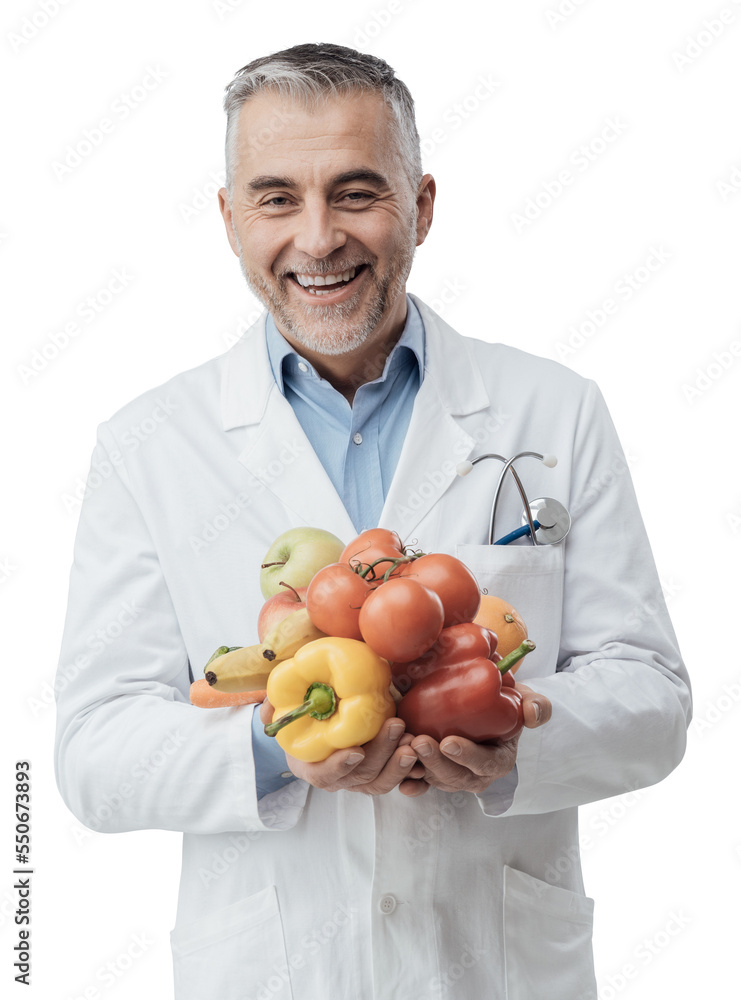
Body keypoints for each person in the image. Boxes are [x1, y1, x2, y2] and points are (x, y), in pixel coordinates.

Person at [54, 42, 692, 1000]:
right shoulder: (148, 444)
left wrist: (521, 739)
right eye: (276, 199)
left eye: (356, 193)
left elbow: (652, 701)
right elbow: (92, 754)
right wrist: (278, 750)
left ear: (422, 205)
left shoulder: (553, 410)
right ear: (229, 221)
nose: (317, 239)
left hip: (497, 967)